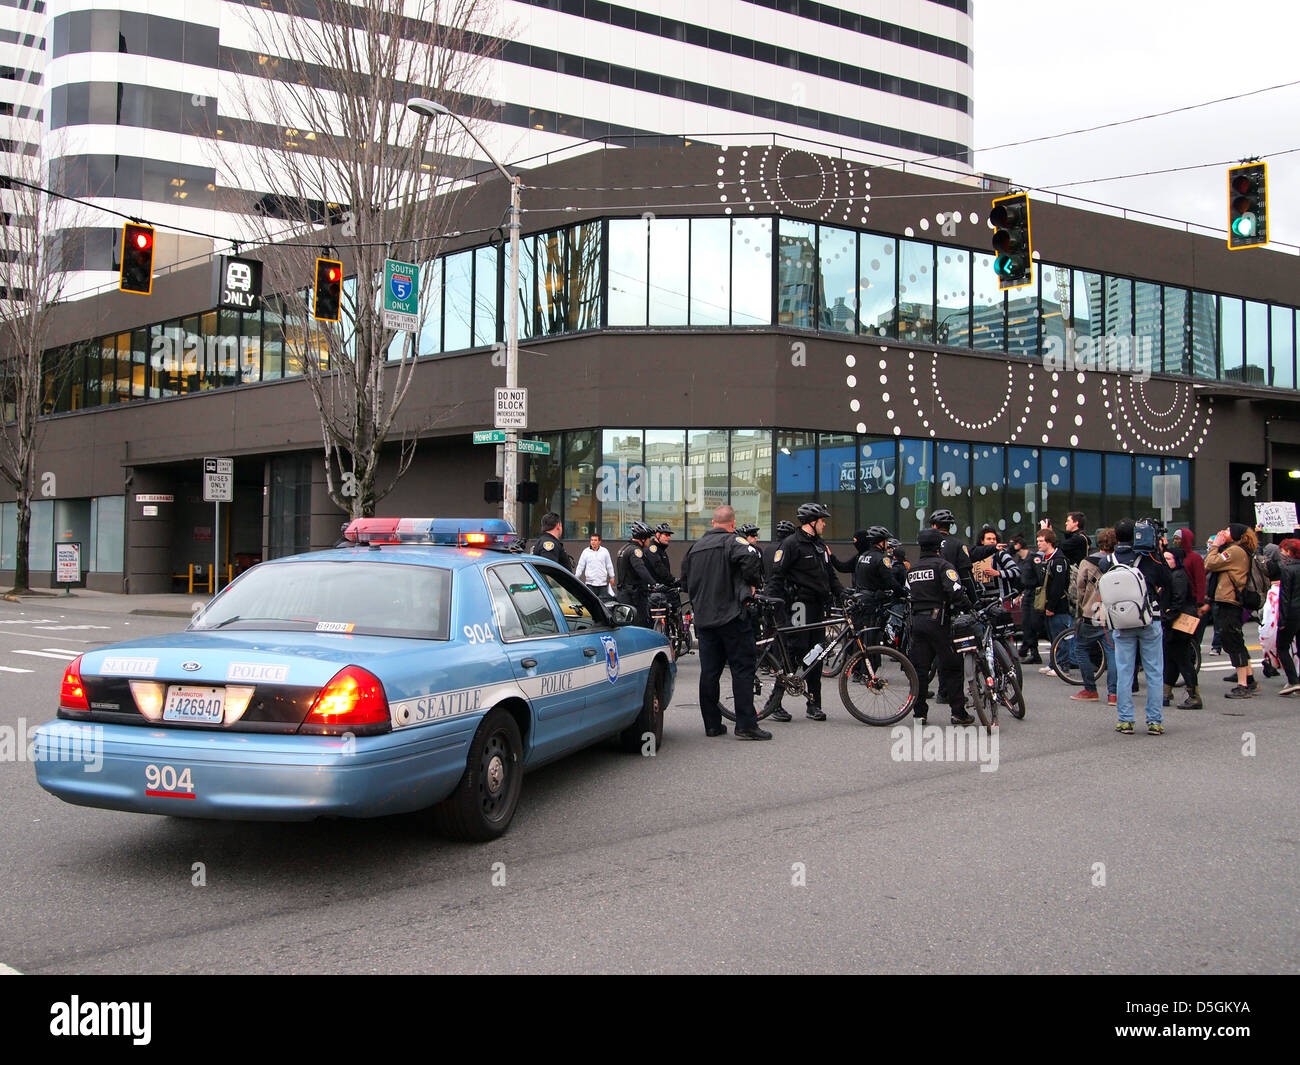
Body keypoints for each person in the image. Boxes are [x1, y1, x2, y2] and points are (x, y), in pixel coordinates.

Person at [680, 505, 768, 740]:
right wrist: (751, 584)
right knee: (742, 669)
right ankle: (746, 725)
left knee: (709, 673)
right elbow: (751, 557)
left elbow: (684, 582)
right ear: (732, 524)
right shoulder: (733, 541)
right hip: (731, 617)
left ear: (712, 523)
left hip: (705, 620)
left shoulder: (695, 548)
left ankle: (712, 725)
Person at [762, 501, 845, 722]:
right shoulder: (791, 544)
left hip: (818, 607)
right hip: (799, 606)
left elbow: (831, 575)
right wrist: (771, 600)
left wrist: (842, 594)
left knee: (816, 654)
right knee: (794, 651)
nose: (825, 524)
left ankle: (814, 703)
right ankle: (775, 703)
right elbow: (777, 575)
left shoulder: (820, 545)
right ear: (812, 522)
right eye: (822, 521)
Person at [1103, 519, 1171, 734]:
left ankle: (1125, 720)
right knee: (1154, 671)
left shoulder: (1108, 560)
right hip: (1149, 617)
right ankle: (1154, 721)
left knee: (1124, 671)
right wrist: (1159, 551)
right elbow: (1167, 579)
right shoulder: (1149, 557)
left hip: (1121, 621)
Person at [905, 528, 975, 726]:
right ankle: (958, 712)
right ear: (938, 546)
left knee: (919, 669)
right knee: (952, 667)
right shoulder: (943, 566)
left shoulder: (913, 569)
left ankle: (919, 714)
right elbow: (955, 592)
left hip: (917, 622)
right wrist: (968, 605)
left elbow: (907, 593)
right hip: (939, 621)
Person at [1206, 523, 1260, 698]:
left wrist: (1215, 546)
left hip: (1230, 601)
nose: (1224, 532)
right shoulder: (1238, 550)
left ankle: (1242, 684)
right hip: (1231, 600)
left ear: (1236, 534)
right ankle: (1249, 677)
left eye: (1228, 530)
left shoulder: (1235, 551)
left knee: (1232, 641)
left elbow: (1210, 563)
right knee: (1236, 639)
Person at [1071, 527, 1119, 705]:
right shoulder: (1119, 561)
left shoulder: (1088, 561)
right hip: (1113, 614)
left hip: (1092, 612)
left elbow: (1079, 587)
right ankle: (1113, 693)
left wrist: (1081, 607)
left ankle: (1090, 689)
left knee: (1080, 649)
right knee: (1112, 652)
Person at [1161, 546, 1201, 708]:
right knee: (1171, 659)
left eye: (1169, 559)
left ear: (1177, 560)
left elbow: (1178, 601)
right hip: (1174, 622)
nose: (1166, 561)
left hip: (1179, 622)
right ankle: (1166, 693)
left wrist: (1167, 618)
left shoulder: (1178, 576)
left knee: (1182, 659)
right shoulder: (1172, 575)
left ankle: (1194, 696)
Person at [1037, 527, 1072, 674]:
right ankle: (1053, 663)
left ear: (1049, 542)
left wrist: (1051, 606)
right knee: (1052, 636)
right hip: (1048, 604)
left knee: (1060, 635)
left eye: (1041, 541)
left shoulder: (1059, 561)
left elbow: (1058, 586)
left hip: (1058, 605)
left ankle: (1062, 666)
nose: (1038, 544)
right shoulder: (1048, 559)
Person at [616, 521, 658, 627]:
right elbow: (640, 569)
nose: (650, 541)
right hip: (634, 596)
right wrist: (654, 584)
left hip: (624, 593)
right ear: (643, 538)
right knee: (642, 625)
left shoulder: (624, 548)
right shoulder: (636, 551)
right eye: (649, 538)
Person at [1273, 538, 1300, 695]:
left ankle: (1293, 680)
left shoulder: (1288, 570)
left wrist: (1281, 621)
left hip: (1292, 612)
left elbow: (1285, 598)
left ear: (1290, 552)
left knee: (1282, 647)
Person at [574, 531, 616, 601]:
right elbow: (580, 566)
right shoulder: (586, 552)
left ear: (599, 542)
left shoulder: (605, 551)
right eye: (592, 540)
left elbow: (609, 565)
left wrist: (612, 577)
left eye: (595, 540)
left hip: (602, 584)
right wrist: (576, 577)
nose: (593, 542)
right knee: (591, 603)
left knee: (603, 603)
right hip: (590, 584)